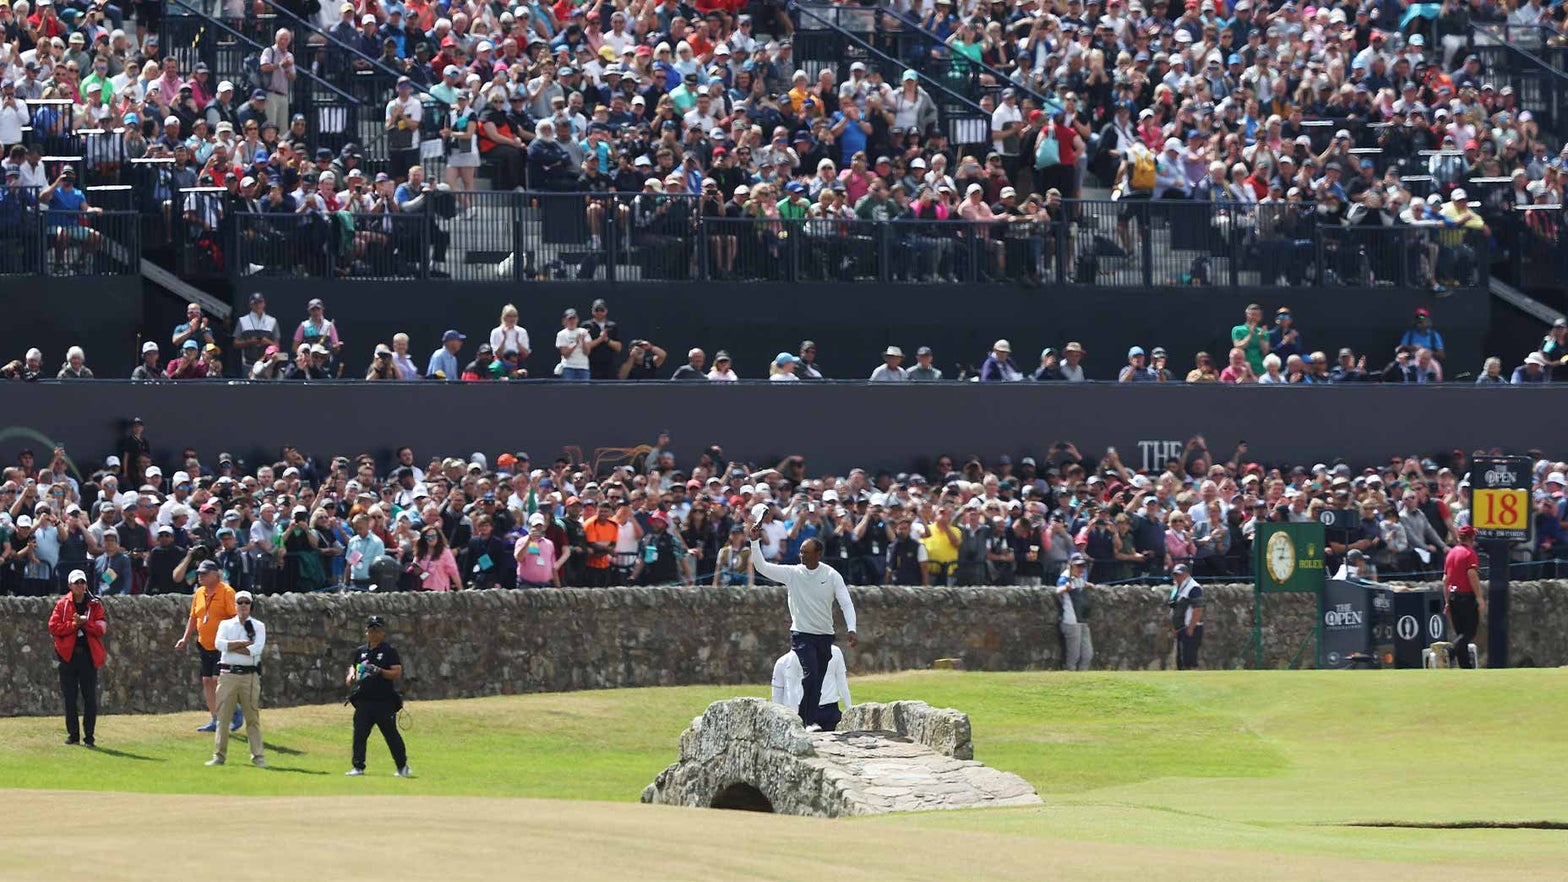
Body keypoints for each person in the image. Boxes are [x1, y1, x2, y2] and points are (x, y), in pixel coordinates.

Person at [747, 521, 858, 731]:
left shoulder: (831, 575)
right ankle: (808, 721)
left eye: (806, 553)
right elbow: (762, 567)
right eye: (800, 552)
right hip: (801, 635)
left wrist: (851, 628)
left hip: (825, 635)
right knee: (811, 676)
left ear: (818, 554)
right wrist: (754, 541)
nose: (801, 556)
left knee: (817, 679)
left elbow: (846, 603)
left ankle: (809, 718)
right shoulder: (793, 573)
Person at [174, 559, 242, 733]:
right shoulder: (199, 593)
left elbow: (236, 618)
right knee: (207, 681)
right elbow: (193, 617)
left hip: (222, 644)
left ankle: (234, 711)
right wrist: (185, 638)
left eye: (204, 573)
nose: (200, 577)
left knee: (217, 680)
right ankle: (215, 718)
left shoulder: (227, 592)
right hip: (204, 643)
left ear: (216, 575)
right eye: (199, 574)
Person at [345, 615, 411, 777]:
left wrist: (380, 671)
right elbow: (354, 667)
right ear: (366, 632)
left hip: (384, 702)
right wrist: (351, 675)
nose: (374, 633)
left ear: (383, 632)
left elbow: (396, 672)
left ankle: (402, 767)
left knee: (391, 735)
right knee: (359, 735)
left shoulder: (389, 651)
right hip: (364, 701)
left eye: (377, 630)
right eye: (371, 629)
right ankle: (358, 766)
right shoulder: (361, 651)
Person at [207, 590, 267, 767]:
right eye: (239, 603)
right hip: (228, 675)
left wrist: (232, 647)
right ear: (235, 605)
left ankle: (258, 756)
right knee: (223, 718)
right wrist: (242, 644)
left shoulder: (258, 626)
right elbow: (219, 645)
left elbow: (256, 650)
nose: (243, 606)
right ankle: (219, 755)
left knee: (252, 718)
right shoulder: (225, 625)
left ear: (251, 605)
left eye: (246, 603)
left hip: (249, 676)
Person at [48, 569, 106, 747]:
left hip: (87, 656)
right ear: (70, 585)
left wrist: (85, 624)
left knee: (89, 697)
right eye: (76, 583)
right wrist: (74, 625)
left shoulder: (95, 605)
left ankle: (89, 737)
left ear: (86, 585)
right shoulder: (62, 604)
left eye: (82, 582)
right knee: (70, 697)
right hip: (68, 656)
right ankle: (73, 735)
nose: (80, 586)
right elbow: (53, 627)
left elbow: (101, 628)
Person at [771, 643, 851, 731]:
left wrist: (850, 709)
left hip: (831, 711)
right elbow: (779, 694)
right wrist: (793, 718)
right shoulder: (785, 661)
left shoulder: (835, 652)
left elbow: (842, 683)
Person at [1443, 524, 1483, 669]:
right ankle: (1451, 650)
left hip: (1453, 596)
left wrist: (1447, 601)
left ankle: (1465, 667)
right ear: (1471, 538)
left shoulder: (1451, 553)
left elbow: (1445, 580)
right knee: (1469, 631)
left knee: (1461, 634)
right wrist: (1479, 597)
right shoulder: (1469, 553)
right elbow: (1471, 574)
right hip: (1466, 596)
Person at [1055, 553, 1094, 671]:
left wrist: (1089, 585)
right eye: (1078, 566)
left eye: (1083, 566)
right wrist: (1065, 588)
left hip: (1082, 620)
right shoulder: (1065, 577)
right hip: (1071, 621)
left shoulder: (1079, 578)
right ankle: (1070, 677)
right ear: (1071, 566)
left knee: (1087, 654)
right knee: (1074, 656)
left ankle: (1082, 677)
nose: (1081, 569)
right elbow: (1058, 590)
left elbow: (1082, 584)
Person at [1168, 563, 1203, 670]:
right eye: (1175, 575)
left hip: (1190, 628)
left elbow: (1198, 609)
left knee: (1190, 660)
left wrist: (1191, 628)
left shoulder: (1194, 588)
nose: (1176, 577)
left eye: (1179, 575)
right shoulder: (1177, 587)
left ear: (1186, 574)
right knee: (1181, 661)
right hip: (1181, 628)